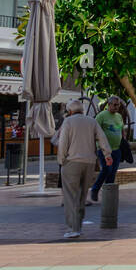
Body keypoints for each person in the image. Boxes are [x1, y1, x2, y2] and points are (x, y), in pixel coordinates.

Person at [51, 101, 112, 240]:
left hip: (72, 162)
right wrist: (107, 154)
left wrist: (61, 160)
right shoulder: (91, 121)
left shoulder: (68, 122)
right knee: (82, 196)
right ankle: (78, 226)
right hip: (89, 163)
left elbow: (63, 143)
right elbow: (102, 138)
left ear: (70, 111)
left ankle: (73, 228)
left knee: (70, 197)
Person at [90, 96, 127, 204]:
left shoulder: (119, 116)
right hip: (104, 149)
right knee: (106, 169)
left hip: (116, 149)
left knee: (112, 173)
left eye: (118, 105)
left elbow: (121, 129)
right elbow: (94, 130)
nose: (117, 107)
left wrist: (123, 140)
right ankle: (95, 189)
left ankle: (108, 195)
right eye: (115, 105)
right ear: (109, 104)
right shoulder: (101, 116)